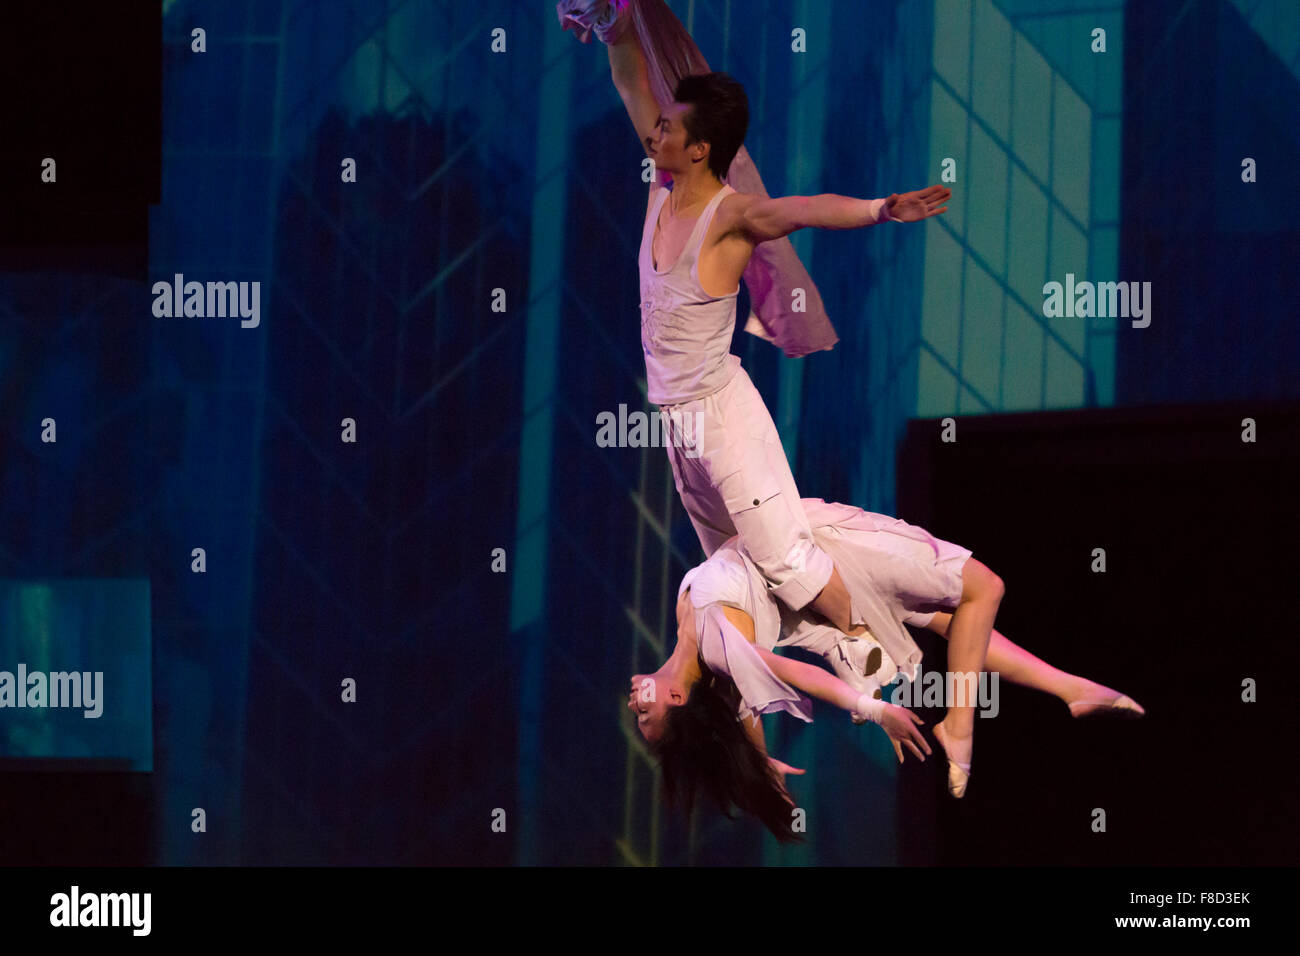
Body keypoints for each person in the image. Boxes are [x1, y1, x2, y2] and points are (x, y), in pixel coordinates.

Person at [559, 0, 953, 637]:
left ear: (702, 148)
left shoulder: (731, 216)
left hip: (722, 414)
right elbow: (630, 79)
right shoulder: (663, 184)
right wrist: (612, 24)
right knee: (737, 570)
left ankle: (889, 651)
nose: (654, 132)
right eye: (658, 125)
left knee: (789, 563)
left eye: (670, 128)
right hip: (677, 422)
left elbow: (805, 209)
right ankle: (858, 657)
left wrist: (883, 208)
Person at [627, 498, 1144, 840]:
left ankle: (1069, 688)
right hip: (826, 561)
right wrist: (872, 710)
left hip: (818, 583)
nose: (634, 704)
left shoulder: (705, 658)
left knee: (949, 617)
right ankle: (960, 725)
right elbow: (794, 677)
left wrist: (762, 767)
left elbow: (744, 709)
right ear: (673, 699)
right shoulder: (718, 651)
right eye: (643, 717)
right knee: (978, 590)